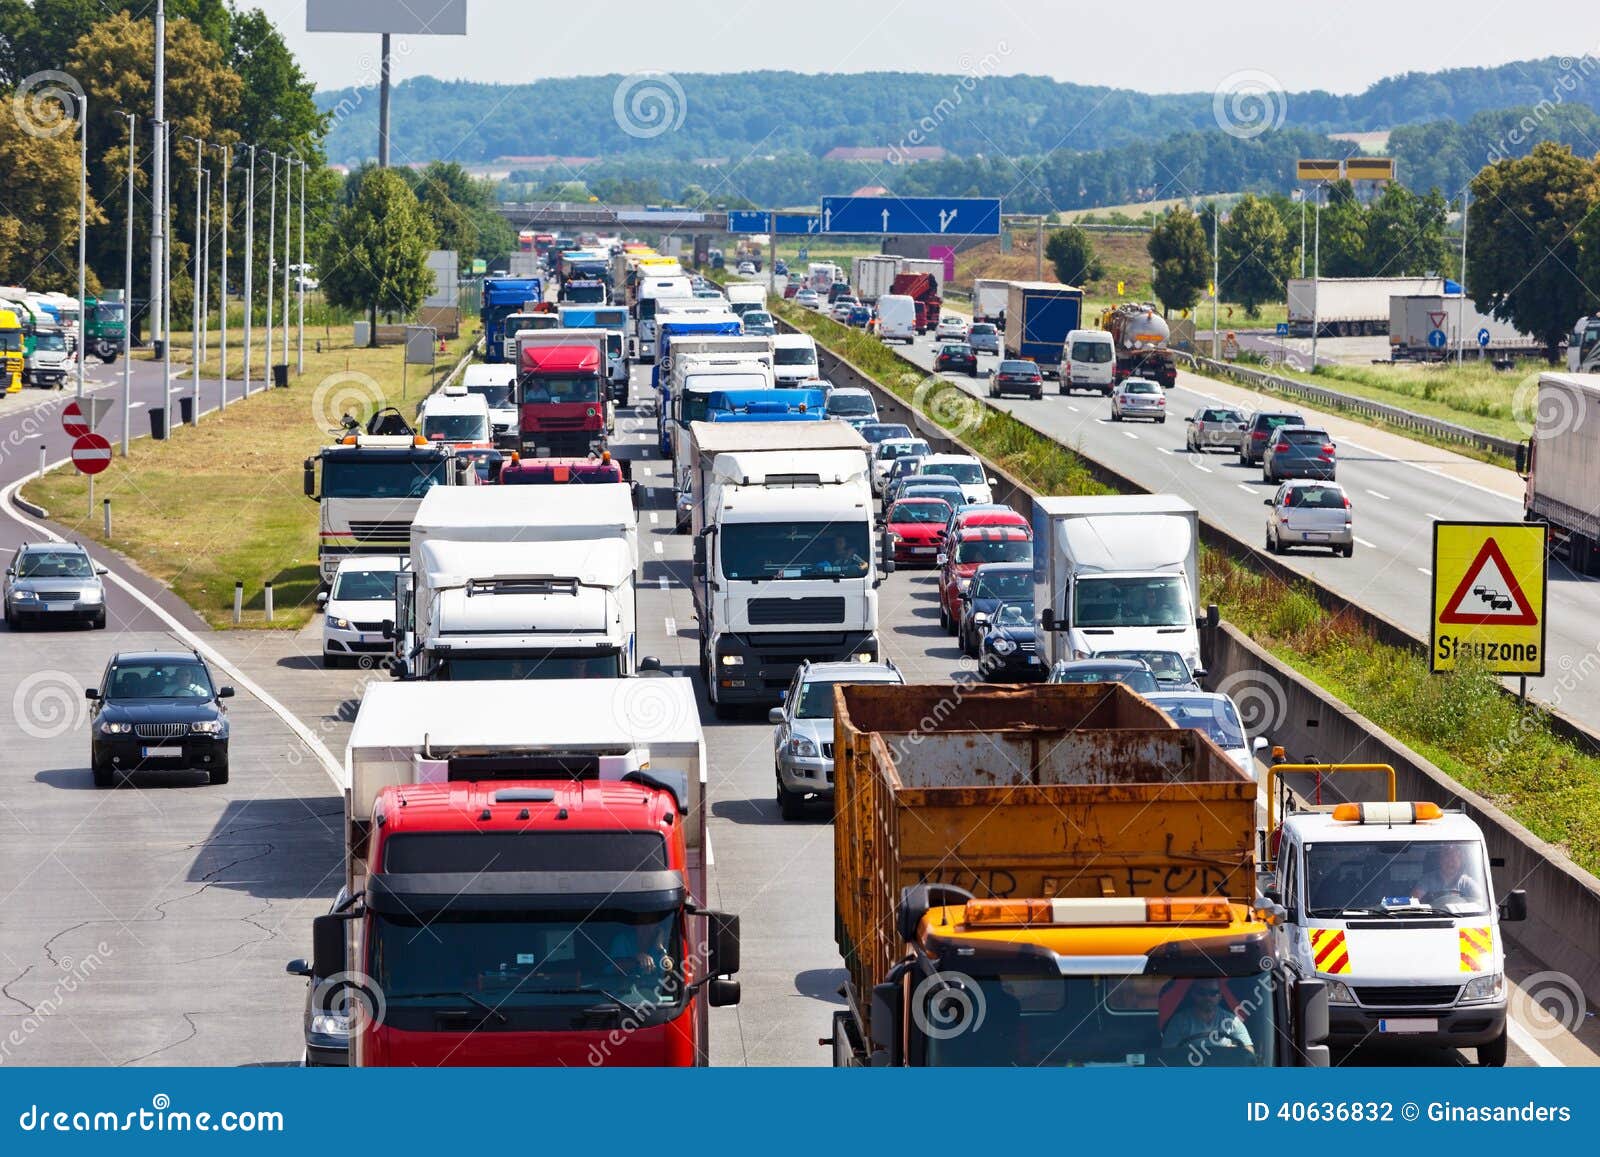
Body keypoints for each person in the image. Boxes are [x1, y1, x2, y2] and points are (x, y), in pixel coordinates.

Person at [1161, 981, 1253, 1053]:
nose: (1208, 997)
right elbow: (1168, 1055)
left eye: (1213, 993)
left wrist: (1236, 1052)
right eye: (1202, 992)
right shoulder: (1179, 1022)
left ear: (1220, 995)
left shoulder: (1232, 1021)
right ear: (1193, 994)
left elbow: (1249, 1052)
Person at [1412, 844, 1482, 905]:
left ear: (1460, 862)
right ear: (1440, 860)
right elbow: (1414, 900)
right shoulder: (1427, 879)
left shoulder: (1466, 882)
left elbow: (1481, 901)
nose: (1450, 864)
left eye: (1454, 860)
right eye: (1447, 859)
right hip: (1433, 917)